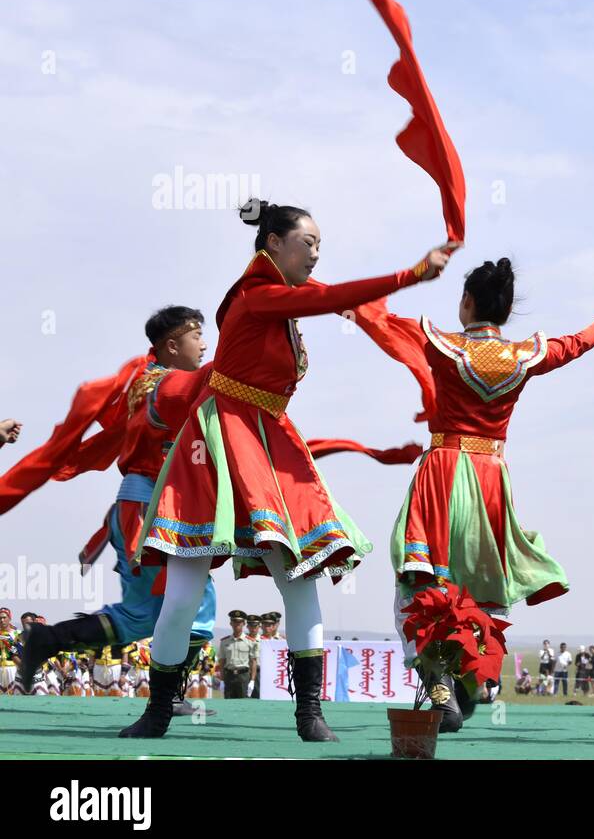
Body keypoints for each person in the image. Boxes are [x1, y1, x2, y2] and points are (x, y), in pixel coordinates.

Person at [118, 200, 455, 741]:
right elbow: (333, 298)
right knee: (181, 594)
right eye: (309, 242)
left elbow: (324, 300)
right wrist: (410, 274)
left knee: (298, 581)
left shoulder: (280, 303)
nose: (317, 253)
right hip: (221, 438)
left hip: (270, 442)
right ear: (274, 242)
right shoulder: (256, 295)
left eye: (320, 244)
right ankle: (157, 712)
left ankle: (309, 715)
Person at [390, 258, 594, 723]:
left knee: (421, 582)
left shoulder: (439, 343)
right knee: (480, 588)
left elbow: (381, 321)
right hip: (491, 476)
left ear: (466, 302)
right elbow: (578, 343)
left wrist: (329, 297)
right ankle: (470, 679)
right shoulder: (525, 356)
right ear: (507, 310)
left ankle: (440, 685)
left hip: (444, 471)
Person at [17, 307, 219, 715]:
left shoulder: (154, 382)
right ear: (172, 346)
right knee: (161, 609)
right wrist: (251, 339)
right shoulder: (162, 387)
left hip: (157, 507)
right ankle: (49, 641)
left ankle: (167, 696)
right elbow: (212, 381)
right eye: (197, 335)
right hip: (145, 512)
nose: (205, 343)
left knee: (192, 604)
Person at [216, 610, 258, 699]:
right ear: (231, 623)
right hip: (229, 676)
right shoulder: (224, 641)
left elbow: (253, 662)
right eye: (234, 621)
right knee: (228, 703)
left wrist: (252, 680)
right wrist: (222, 680)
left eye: (239, 622)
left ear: (243, 623)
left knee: (243, 704)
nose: (237, 624)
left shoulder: (250, 641)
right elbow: (222, 661)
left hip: (243, 676)